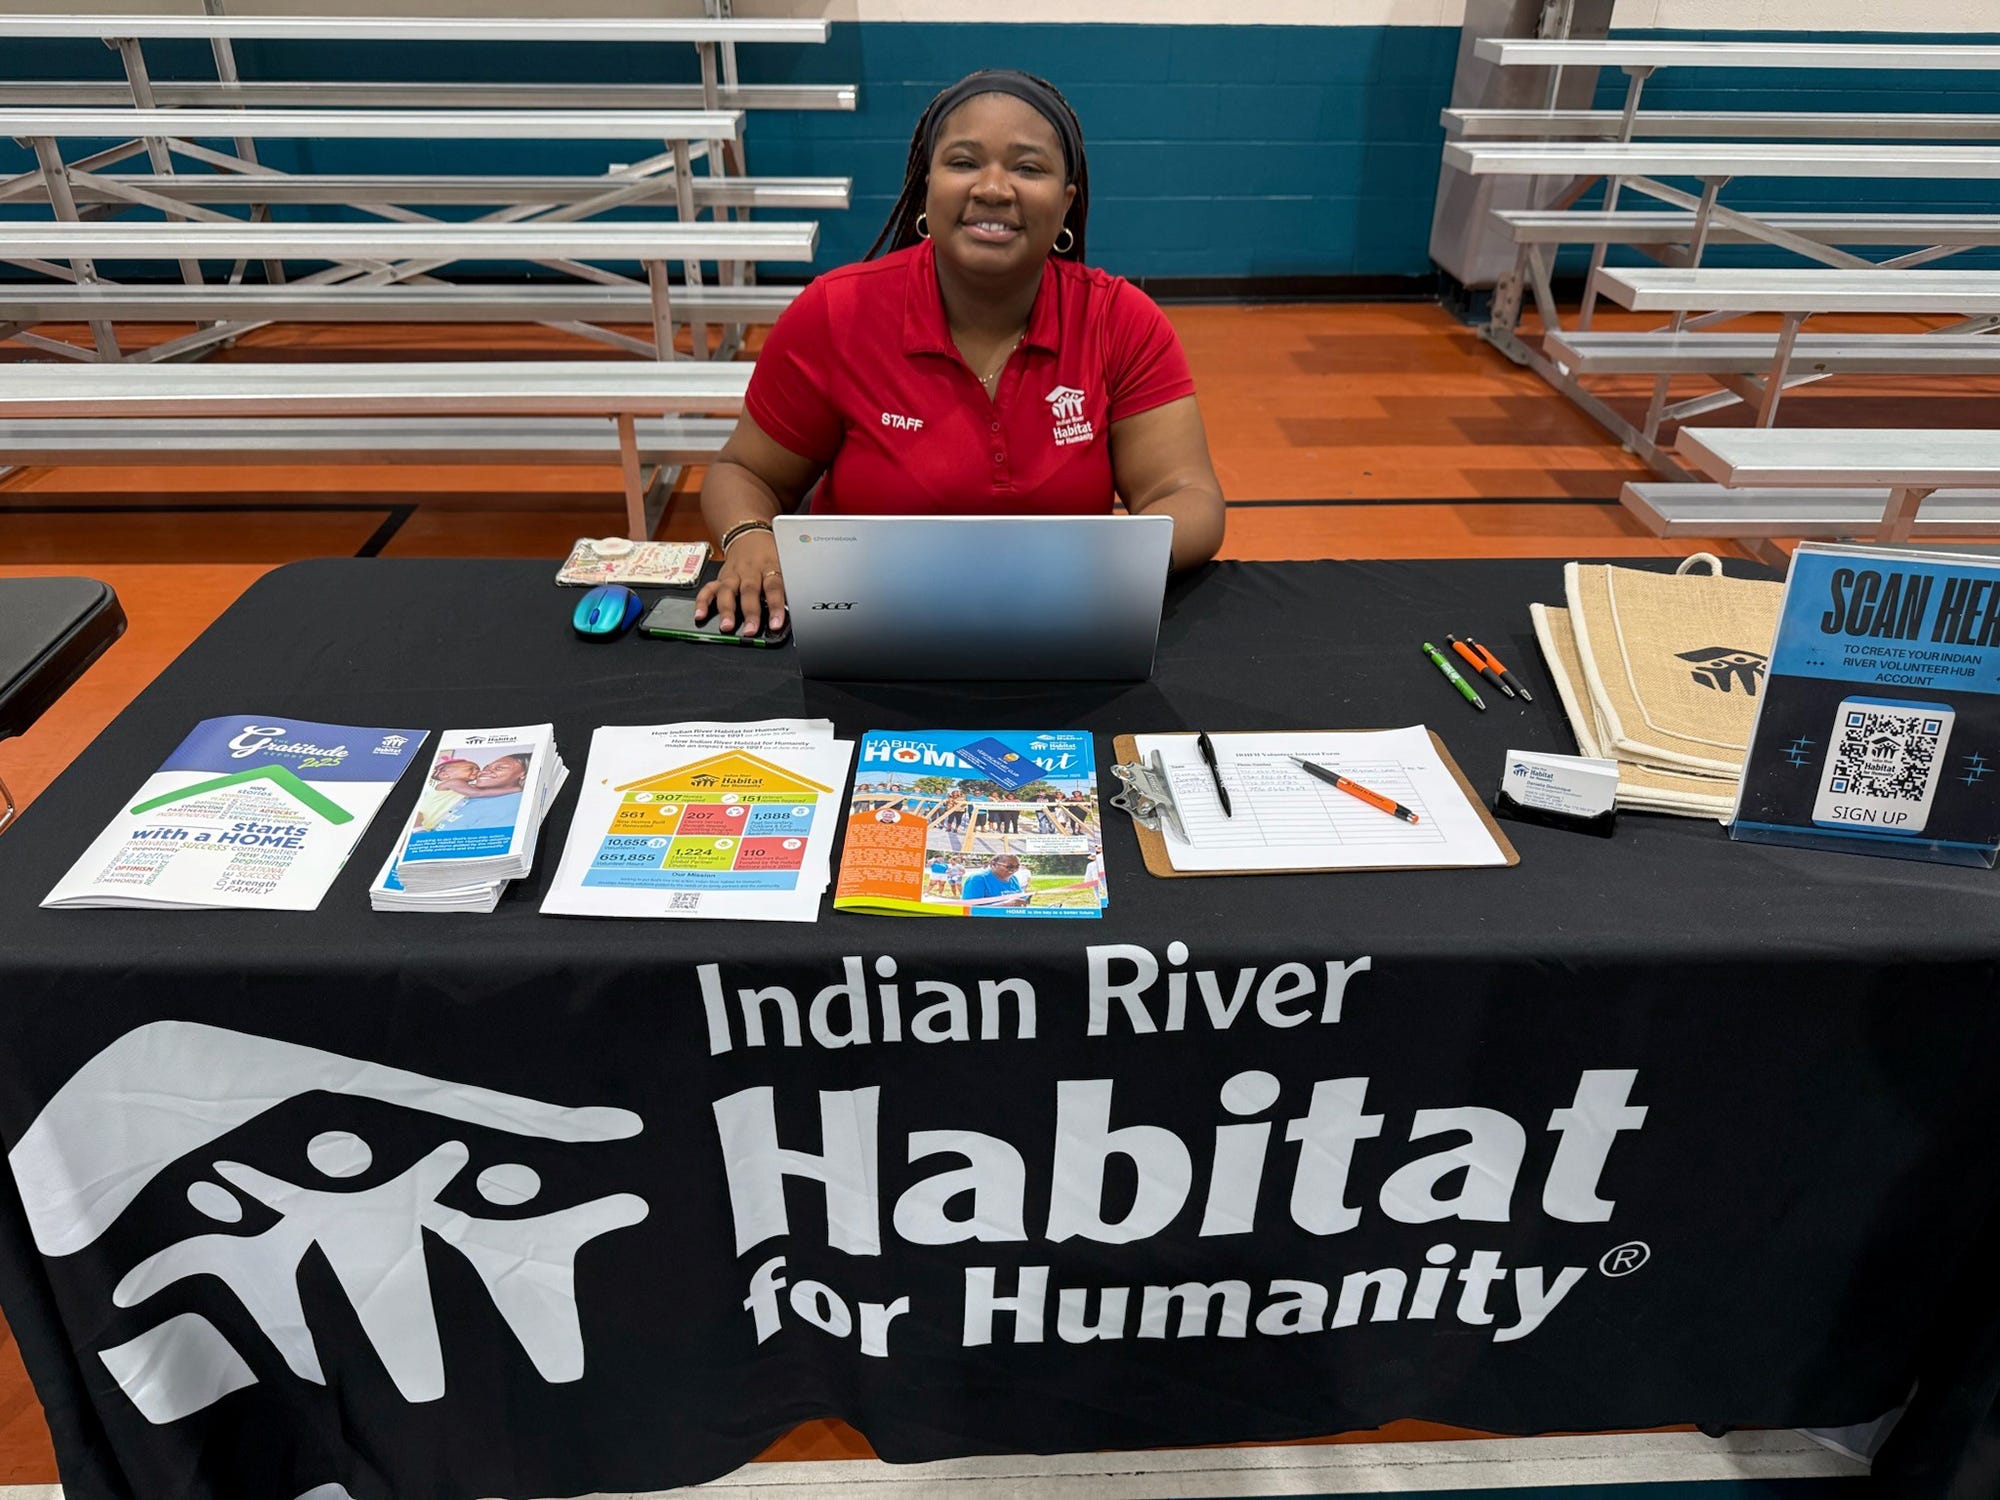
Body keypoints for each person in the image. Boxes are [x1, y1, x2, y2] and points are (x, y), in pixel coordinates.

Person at [696, 69, 1226, 637]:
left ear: (1066, 202)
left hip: (1062, 635)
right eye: (964, 162)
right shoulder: (836, 313)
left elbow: (1186, 494)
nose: (993, 189)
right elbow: (744, 471)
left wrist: (1107, 574)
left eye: (1028, 168)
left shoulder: (1120, 321)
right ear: (926, 186)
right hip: (865, 638)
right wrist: (749, 538)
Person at [960, 853, 1030, 906]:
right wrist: (1005, 905)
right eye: (1009, 867)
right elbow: (969, 909)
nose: (1014, 870)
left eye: (1017, 867)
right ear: (993, 864)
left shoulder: (1013, 879)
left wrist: (1024, 899)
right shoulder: (978, 879)